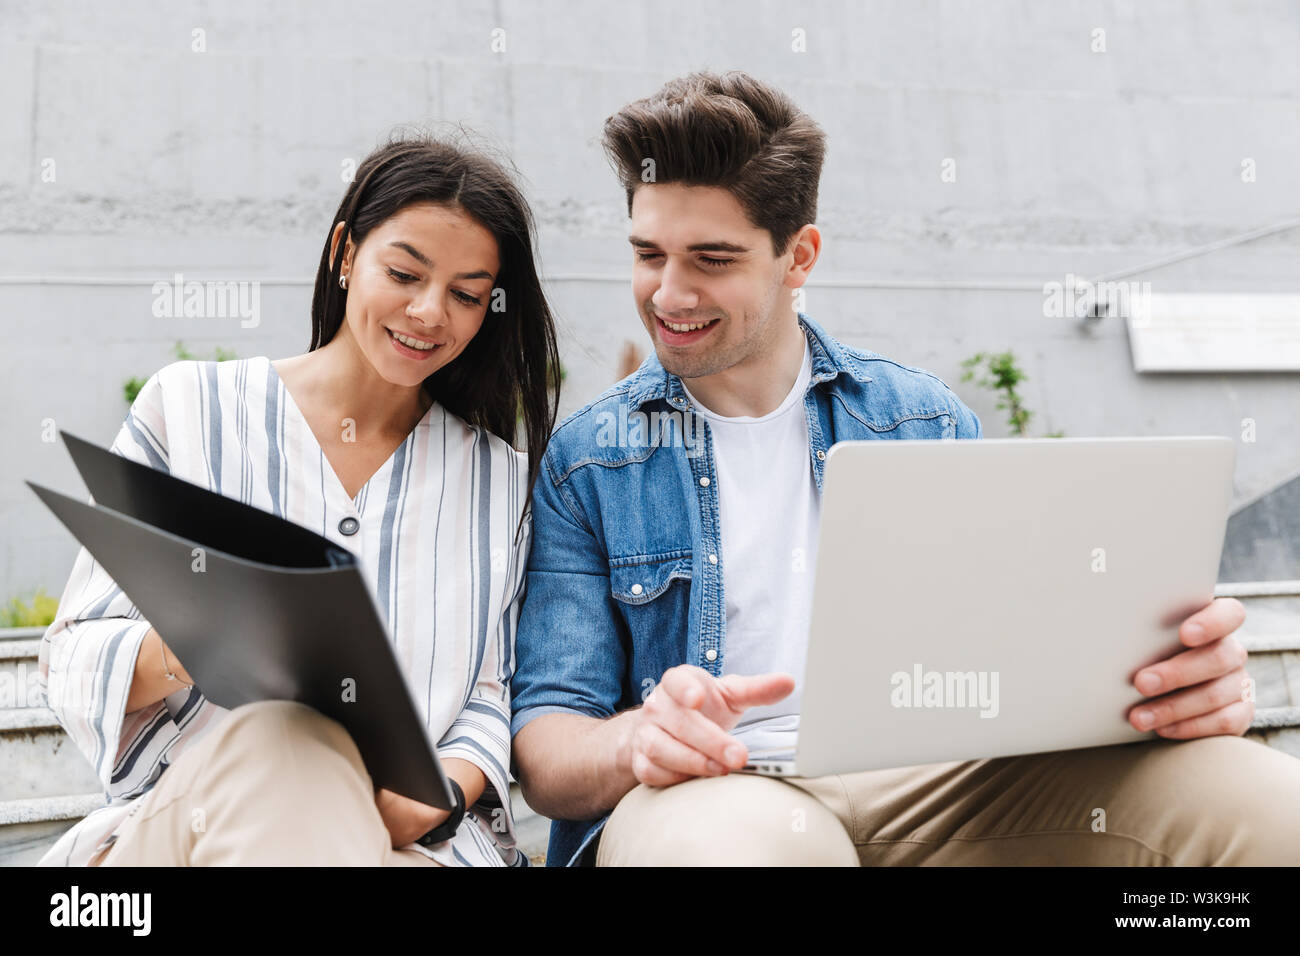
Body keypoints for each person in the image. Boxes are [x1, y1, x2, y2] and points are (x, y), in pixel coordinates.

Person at [508, 70, 1300, 866]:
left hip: (943, 784)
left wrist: (1169, 680)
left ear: (799, 256)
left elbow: (1012, 652)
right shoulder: (589, 460)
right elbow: (547, 752)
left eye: (711, 259)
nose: (668, 293)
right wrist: (639, 739)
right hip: (718, 790)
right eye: (649, 254)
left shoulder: (920, 419)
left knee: (1267, 807)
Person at [38, 132, 561, 867]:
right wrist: (195, 643)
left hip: (401, 847)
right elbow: (71, 657)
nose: (429, 312)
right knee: (287, 740)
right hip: (191, 830)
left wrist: (441, 790)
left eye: (467, 295)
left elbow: (490, 689)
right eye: (404, 273)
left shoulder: (501, 484)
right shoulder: (190, 413)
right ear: (346, 254)